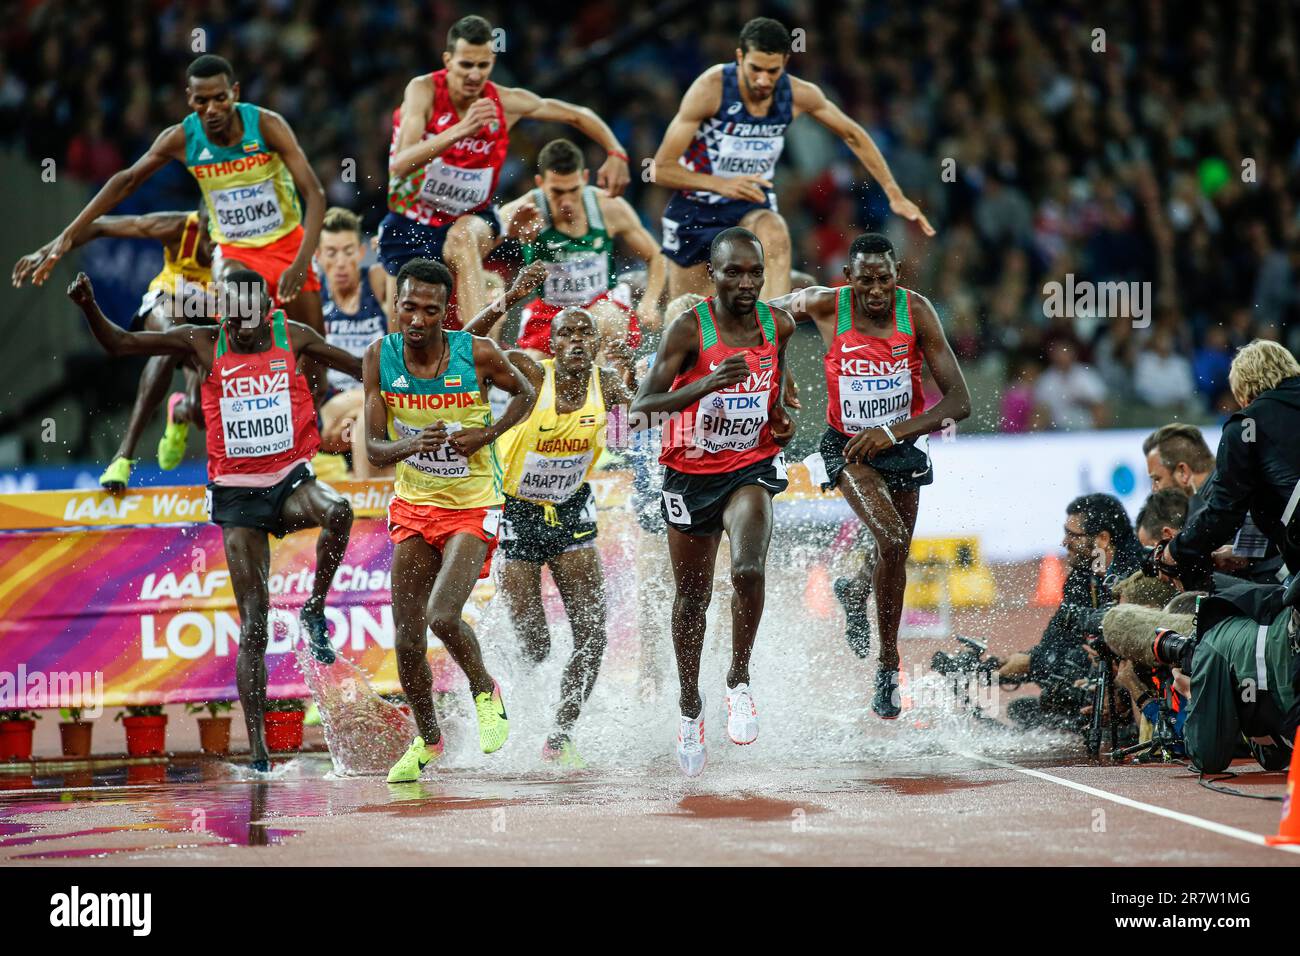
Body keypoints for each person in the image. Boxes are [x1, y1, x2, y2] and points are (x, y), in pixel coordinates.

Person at [67, 269, 361, 772]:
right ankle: (261, 756)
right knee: (255, 625)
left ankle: (315, 609)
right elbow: (120, 344)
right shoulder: (201, 341)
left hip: (290, 480)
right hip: (237, 499)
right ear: (223, 311)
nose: (244, 330)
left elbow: (366, 368)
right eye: (234, 320)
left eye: (252, 320)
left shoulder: (296, 335)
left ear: (267, 309)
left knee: (338, 510)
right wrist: (90, 306)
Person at [26, 55, 328, 394]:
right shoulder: (183, 138)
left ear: (236, 92)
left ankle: (310, 433)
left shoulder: (267, 126)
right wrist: (63, 238)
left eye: (220, 98)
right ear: (190, 98)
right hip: (234, 251)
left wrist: (302, 263)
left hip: (288, 247)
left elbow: (315, 194)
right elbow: (126, 181)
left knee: (315, 365)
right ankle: (234, 399)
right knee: (238, 307)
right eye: (201, 100)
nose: (211, 108)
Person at [772, 232, 971, 718]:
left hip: (899, 446)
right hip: (848, 447)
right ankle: (888, 666)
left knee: (895, 549)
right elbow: (762, 315)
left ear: (897, 274)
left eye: (884, 278)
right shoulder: (825, 305)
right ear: (848, 279)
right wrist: (779, 372)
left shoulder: (917, 312)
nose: (876, 290)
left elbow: (959, 402)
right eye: (865, 281)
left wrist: (891, 430)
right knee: (891, 540)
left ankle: (855, 587)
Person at [360, 258, 537, 783]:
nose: (416, 318)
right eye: (408, 306)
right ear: (396, 305)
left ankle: (485, 689)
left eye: (430, 310)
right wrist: (411, 444)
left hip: (473, 503)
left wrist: (488, 433)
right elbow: (372, 448)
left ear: (445, 314)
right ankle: (429, 739)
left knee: (442, 614)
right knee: (407, 640)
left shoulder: (477, 353)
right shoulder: (378, 357)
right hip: (414, 506)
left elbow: (526, 394)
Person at [631, 227, 796, 777]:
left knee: (748, 568)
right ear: (713, 274)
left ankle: (738, 680)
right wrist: (704, 386)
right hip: (689, 476)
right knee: (692, 600)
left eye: (755, 272)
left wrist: (780, 416)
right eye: (734, 273)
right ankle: (689, 706)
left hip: (749, 468)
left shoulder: (780, 324)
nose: (746, 283)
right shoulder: (688, 328)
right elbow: (642, 408)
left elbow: (776, 387)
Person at [652, 17, 932, 302]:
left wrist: (894, 194)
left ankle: (769, 339)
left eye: (772, 71)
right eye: (755, 69)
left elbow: (853, 135)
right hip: (697, 209)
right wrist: (720, 184)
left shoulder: (798, 94)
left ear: (785, 61)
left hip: (751, 205)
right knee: (685, 313)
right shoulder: (712, 89)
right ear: (740, 57)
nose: (763, 80)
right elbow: (660, 170)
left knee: (774, 231)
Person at [466, 306, 636, 768]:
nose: (578, 341)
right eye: (568, 334)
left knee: (592, 633)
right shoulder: (528, 371)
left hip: (572, 505)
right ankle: (509, 704)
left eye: (587, 333)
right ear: (553, 343)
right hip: (515, 506)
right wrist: (510, 298)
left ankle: (560, 735)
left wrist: (635, 373)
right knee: (535, 641)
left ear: (596, 344)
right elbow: (465, 348)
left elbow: (632, 434)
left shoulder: (610, 386)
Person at [381, 15, 631, 325]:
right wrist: (462, 129)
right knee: (398, 326)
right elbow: (401, 164)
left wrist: (616, 151)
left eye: (483, 66)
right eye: (465, 65)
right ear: (448, 60)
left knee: (462, 237)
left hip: (470, 220)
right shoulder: (423, 91)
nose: (474, 75)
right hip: (412, 220)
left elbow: (576, 115)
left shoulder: (507, 102)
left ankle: (472, 348)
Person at [14, 205, 215, 490]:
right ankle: (124, 456)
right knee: (170, 340)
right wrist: (50, 249)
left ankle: (182, 409)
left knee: (201, 412)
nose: (212, 244)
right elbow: (100, 225)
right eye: (208, 232)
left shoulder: (242, 245)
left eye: (221, 236)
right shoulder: (179, 227)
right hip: (168, 301)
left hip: (209, 318)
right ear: (200, 221)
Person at [494, 138, 666, 364]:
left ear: (585, 178)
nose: (566, 201)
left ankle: (609, 393)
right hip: (550, 312)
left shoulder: (607, 207)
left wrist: (649, 301)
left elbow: (656, 255)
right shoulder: (525, 210)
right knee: (534, 373)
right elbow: (481, 241)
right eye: (556, 192)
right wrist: (510, 230)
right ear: (540, 183)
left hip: (600, 302)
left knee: (606, 322)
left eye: (573, 190)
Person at [1159, 341, 1300, 590]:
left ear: (1245, 392)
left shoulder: (1247, 425)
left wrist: (1176, 551)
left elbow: (1225, 512)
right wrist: (1248, 552)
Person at [997, 494, 1144, 728]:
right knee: (1031, 705)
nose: (1064, 542)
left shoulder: (1137, 573)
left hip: (1136, 684)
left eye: (1072, 535)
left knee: (1072, 667)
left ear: (1103, 538)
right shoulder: (1083, 576)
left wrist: (1031, 663)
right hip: (1102, 676)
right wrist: (1013, 664)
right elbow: (1055, 640)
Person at [313, 207, 391, 477]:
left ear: (360, 252)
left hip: (381, 399)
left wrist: (391, 257)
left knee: (365, 418)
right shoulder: (313, 298)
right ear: (318, 256)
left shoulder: (377, 280)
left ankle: (362, 496)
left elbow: (397, 328)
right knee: (357, 415)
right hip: (333, 404)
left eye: (348, 251)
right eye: (332, 253)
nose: (341, 261)